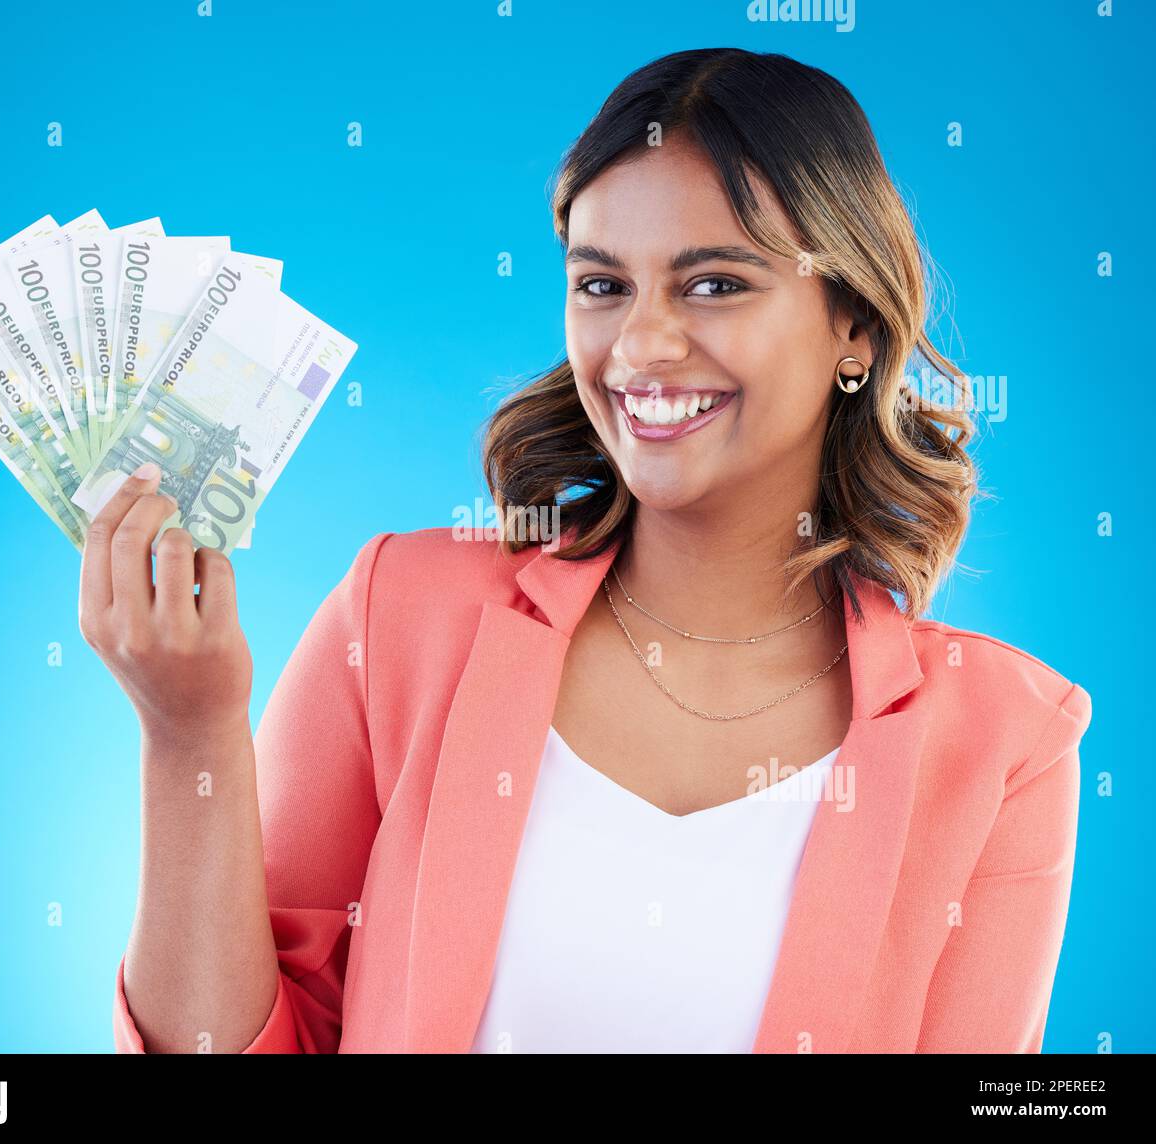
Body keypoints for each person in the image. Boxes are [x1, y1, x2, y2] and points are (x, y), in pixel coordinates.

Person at [81, 48, 1092, 1054]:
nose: (641, 346)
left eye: (713, 285)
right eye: (603, 285)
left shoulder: (1002, 744)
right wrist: (189, 734)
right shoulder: (402, 615)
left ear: (855, 330)